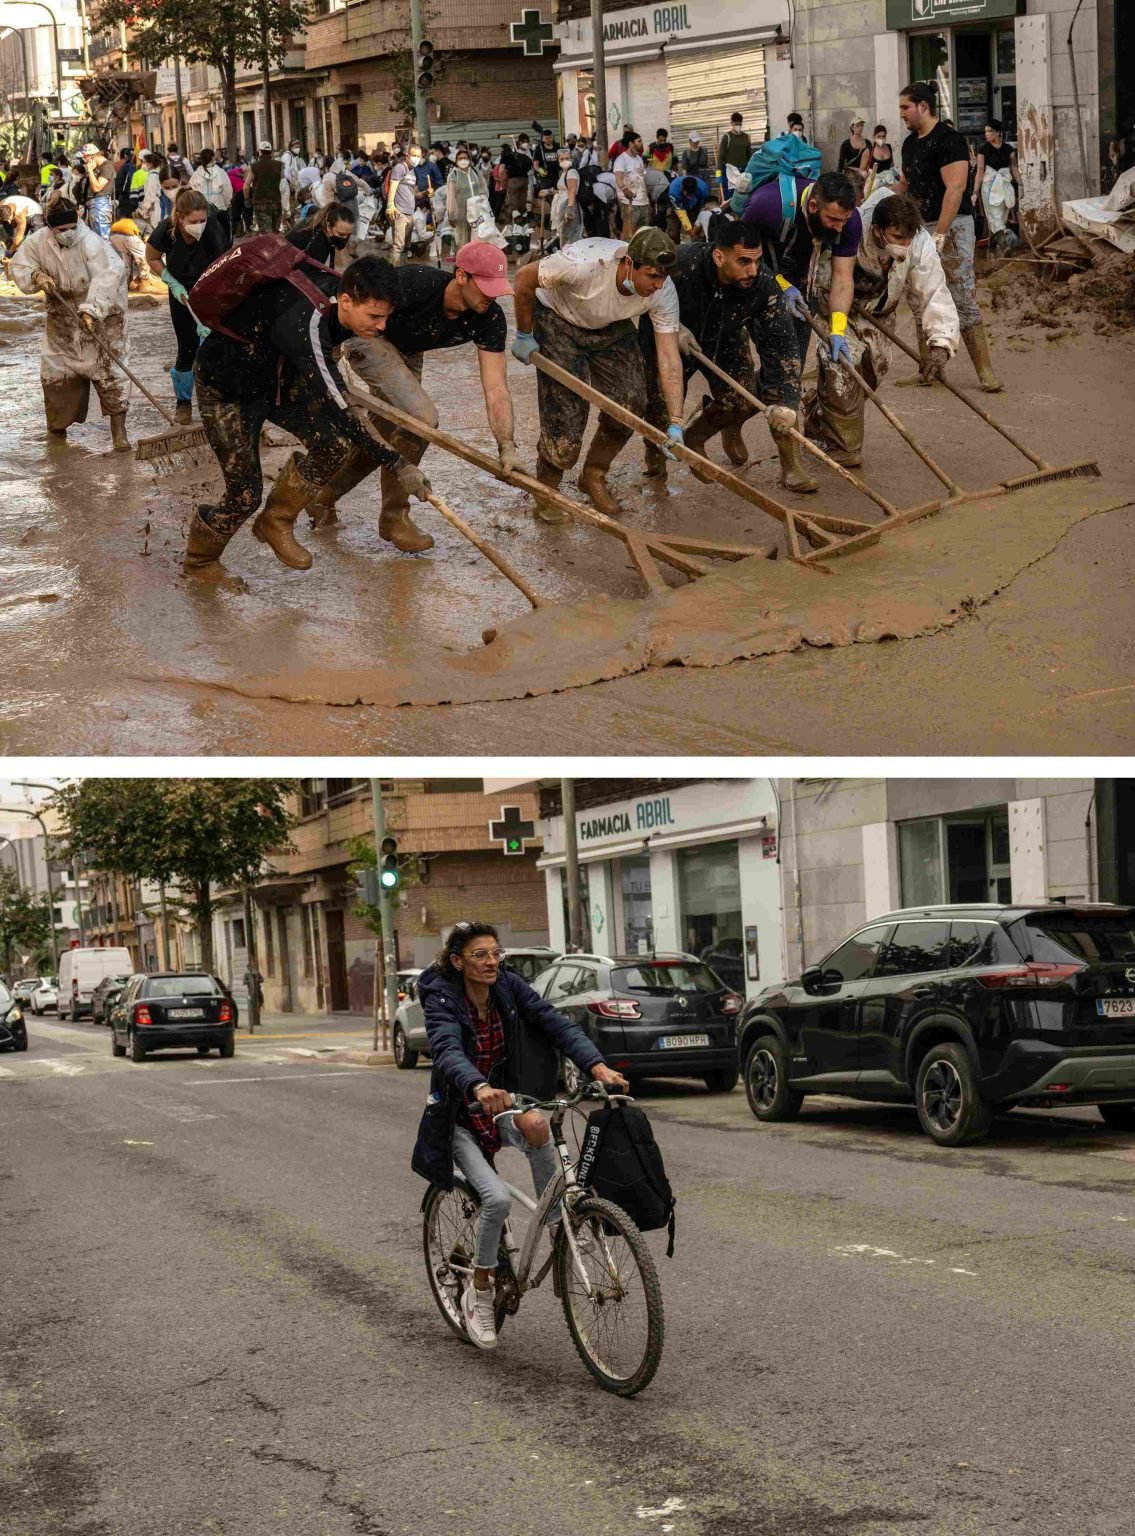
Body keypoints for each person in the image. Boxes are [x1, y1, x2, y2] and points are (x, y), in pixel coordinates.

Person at [419, 920, 628, 1352]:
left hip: (504, 1101)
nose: (492, 961)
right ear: (458, 962)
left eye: (496, 952)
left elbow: (556, 1024)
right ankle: (478, 1293)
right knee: (495, 1199)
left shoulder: (509, 989)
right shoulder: (442, 997)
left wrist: (596, 1066)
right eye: (480, 955)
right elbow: (446, 1048)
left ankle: (557, 1225)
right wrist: (477, 1086)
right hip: (463, 1110)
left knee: (538, 1124)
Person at [187, 255, 429, 572]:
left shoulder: (340, 301)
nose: (382, 326)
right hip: (227, 388)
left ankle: (277, 518)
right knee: (245, 495)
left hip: (277, 379)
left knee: (336, 444)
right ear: (346, 301)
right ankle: (200, 562)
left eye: (385, 317)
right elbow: (342, 408)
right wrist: (397, 463)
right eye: (374, 317)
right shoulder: (309, 323)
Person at [317, 241, 519, 553]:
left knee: (386, 439)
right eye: (486, 288)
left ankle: (323, 497)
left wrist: (506, 444)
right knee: (422, 420)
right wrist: (327, 357)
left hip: (409, 353)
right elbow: (357, 307)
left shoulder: (490, 318)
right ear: (461, 276)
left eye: (497, 290)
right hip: (369, 338)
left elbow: (496, 387)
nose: (491, 298)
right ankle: (395, 517)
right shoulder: (416, 283)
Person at [510, 226, 686, 519]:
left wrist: (676, 420)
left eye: (664, 277)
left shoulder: (662, 291)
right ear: (629, 264)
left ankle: (593, 473)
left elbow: (668, 356)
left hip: (611, 326)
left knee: (630, 405)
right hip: (559, 319)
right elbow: (524, 278)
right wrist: (524, 333)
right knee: (565, 419)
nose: (658, 284)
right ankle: (546, 493)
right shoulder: (582, 266)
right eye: (652, 276)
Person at [641, 218, 813, 492]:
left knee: (740, 399)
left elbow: (782, 348)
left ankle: (696, 435)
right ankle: (655, 470)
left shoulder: (763, 284)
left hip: (725, 334)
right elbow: (639, 296)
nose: (753, 270)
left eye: (757, 261)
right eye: (744, 262)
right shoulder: (681, 265)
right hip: (669, 336)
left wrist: (788, 405)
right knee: (659, 408)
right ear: (720, 257)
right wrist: (674, 329)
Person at [802, 189, 959, 468]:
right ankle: (844, 447)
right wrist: (829, 304)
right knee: (843, 368)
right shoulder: (853, 229)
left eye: (908, 239)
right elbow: (825, 273)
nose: (903, 245)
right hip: (840, 310)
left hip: (881, 313)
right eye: (897, 238)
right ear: (877, 230)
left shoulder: (919, 242)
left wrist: (940, 344)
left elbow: (934, 290)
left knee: (871, 375)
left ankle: (817, 410)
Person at [897, 81, 1000, 391]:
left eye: (906, 107)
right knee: (919, 297)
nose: (902, 113)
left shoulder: (948, 140)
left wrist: (940, 235)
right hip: (919, 226)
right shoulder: (909, 143)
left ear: (923, 107)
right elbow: (905, 186)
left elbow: (955, 190)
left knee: (961, 295)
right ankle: (929, 370)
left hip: (951, 227)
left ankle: (985, 372)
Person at [10, 204, 131, 452]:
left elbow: (110, 275)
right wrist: (36, 275)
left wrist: (92, 309)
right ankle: (57, 431)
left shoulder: (92, 243)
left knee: (110, 372)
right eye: (62, 229)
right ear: (50, 228)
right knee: (57, 374)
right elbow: (19, 266)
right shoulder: (37, 243)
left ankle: (119, 433)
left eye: (72, 227)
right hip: (62, 319)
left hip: (103, 317)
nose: (69, 233)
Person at [739, 168, 862, 380]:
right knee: (780, 367)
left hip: (802, 284)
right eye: (833, 219)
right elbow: (741, 258)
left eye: (844, 220)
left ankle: (777, 399)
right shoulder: (767, 206)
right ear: (813, 206)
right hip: (755, 281)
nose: (840, 228)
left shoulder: (849, 221)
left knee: (793, 368)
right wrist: (781, 285)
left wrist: (838, 329)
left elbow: (842, 278)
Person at [145, 187, 226, 424]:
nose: (199, 225)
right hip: (180, 292)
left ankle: (217, 402)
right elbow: (151, 257)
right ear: (180, 217)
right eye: (194, 221)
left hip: (210, 289)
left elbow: (223, 264)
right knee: (187, 348)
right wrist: (170, 281)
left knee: (216, 347)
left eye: (203, 220)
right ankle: (183, 403)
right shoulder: (166, 231)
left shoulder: (212, 228)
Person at [978, 117, 1019, 250]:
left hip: (1004, 185)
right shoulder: (983, 149)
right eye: (985, 132)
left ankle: (996, 245)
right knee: (994, 215)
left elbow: (1014, 168)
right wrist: (974, 191)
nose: (987, 134)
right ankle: (1004, 245)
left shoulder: (1008, 149)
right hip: (989, 187)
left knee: (1002, 216)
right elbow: (980, 171)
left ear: (998, 132)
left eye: (989, 131)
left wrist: (1021, 185)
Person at [287, 200, 356, 269]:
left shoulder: (323, 219)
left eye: (349, 235)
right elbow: (307, 274)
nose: (345, 238)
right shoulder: (318, 243)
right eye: (341, 234)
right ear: (328, 226)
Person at [189, 148, 233, 245]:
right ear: (213, 158)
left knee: (205, 241)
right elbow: (227, 192)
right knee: (222, 239)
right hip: (220, 211)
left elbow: (192, 193)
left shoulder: (196, 175)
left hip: (201, 212)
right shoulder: (221, 173)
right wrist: (226, 205)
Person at [244, 141, 289, 233]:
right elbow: (284, 186)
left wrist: (247, 199)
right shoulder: (279, 165)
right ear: (271, 152)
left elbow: (246, 186)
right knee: (276, 231)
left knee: (265, 233)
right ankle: (276, 247)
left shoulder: (254, 166)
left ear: (260, 152)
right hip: (275, 202)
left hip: (260, 203)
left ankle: (268, 247)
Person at [445, 147, 484, 250]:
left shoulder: (475, 172)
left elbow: (483, 188)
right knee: (463, 242)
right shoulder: (453, 175)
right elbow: (450, 196)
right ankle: (463, 264)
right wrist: (451, 214)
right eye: (460, 158)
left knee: (478, 241)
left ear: (469, 160)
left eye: (465, 158)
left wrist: (483, 201)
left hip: (477, 213)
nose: (463, 160)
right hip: (461, 213)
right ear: (456, 161)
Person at [386, 145, 418, 264]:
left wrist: (426, 193)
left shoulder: (413, 172)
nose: (416, 158)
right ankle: (393, 272)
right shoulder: (399, 168)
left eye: (418, 156)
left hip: (410, 212)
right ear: (407, 156)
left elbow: (413, 193)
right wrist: (390, 206)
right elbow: (393, 187)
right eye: (414, 155)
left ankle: (403, 271)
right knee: (398, 246)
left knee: (406, 246)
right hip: (399, 212)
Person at [614, 133, 650, 238]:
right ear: (631, 144)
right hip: (629, 203)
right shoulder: (621, 160)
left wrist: (647, 201)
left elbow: (642, 179)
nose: (641, 144)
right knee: (629, 237)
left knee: (644, 236)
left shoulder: (639, 159)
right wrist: (625, 190)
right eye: (639, 141)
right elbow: (618, 178)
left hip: (643, 203)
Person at [550, 147, 582, 248]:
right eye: (562, 159)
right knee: (564, 234)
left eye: (567, 158)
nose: (565, 161)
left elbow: (571, 190)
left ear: (571, 159)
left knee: (571, 236)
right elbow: (562, 190)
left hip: (568, 204)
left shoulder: (571, 172)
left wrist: (570, 207)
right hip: (563, 204)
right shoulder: (564, 173)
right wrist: (548, 192)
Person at [665, 174, 710, 243]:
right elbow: (682, 215)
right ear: (682, 189)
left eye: (692, 194)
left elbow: (704, 207)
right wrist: (690, 232)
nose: (690, 197)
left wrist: (696, 229)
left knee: (698, 231)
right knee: (673, 233)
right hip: (676, 206)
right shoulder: (674, 191)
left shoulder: (703, 189)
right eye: (688, 194)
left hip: (695, 206)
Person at [501, 135, 533, 219]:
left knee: (513, 202)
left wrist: (503, 182)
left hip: (513, 181)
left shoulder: (506, 157)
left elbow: (501, 170)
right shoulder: (525, 157)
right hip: (525, 180)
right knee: (523, 201)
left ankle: (515, 219)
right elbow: (531, 166)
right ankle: (524, 218)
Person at [718, 112, 752, 180]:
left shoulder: (746, 137)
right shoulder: (727, 137)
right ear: (731, 123)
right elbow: (721, 156)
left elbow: (749, 156)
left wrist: (751, 170)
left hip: (743, 170)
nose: (738, 126)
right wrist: (718, 173)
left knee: (743, 189)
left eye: (740, 124)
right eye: (736, 124)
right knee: (731, 190)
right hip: (730, 171)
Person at [113, 146, 134, 218]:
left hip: (125, 197)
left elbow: (118, 182)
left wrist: (116, 197)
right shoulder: (139, 167)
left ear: (125, 156)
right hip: (138, 199)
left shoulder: (119, 165)